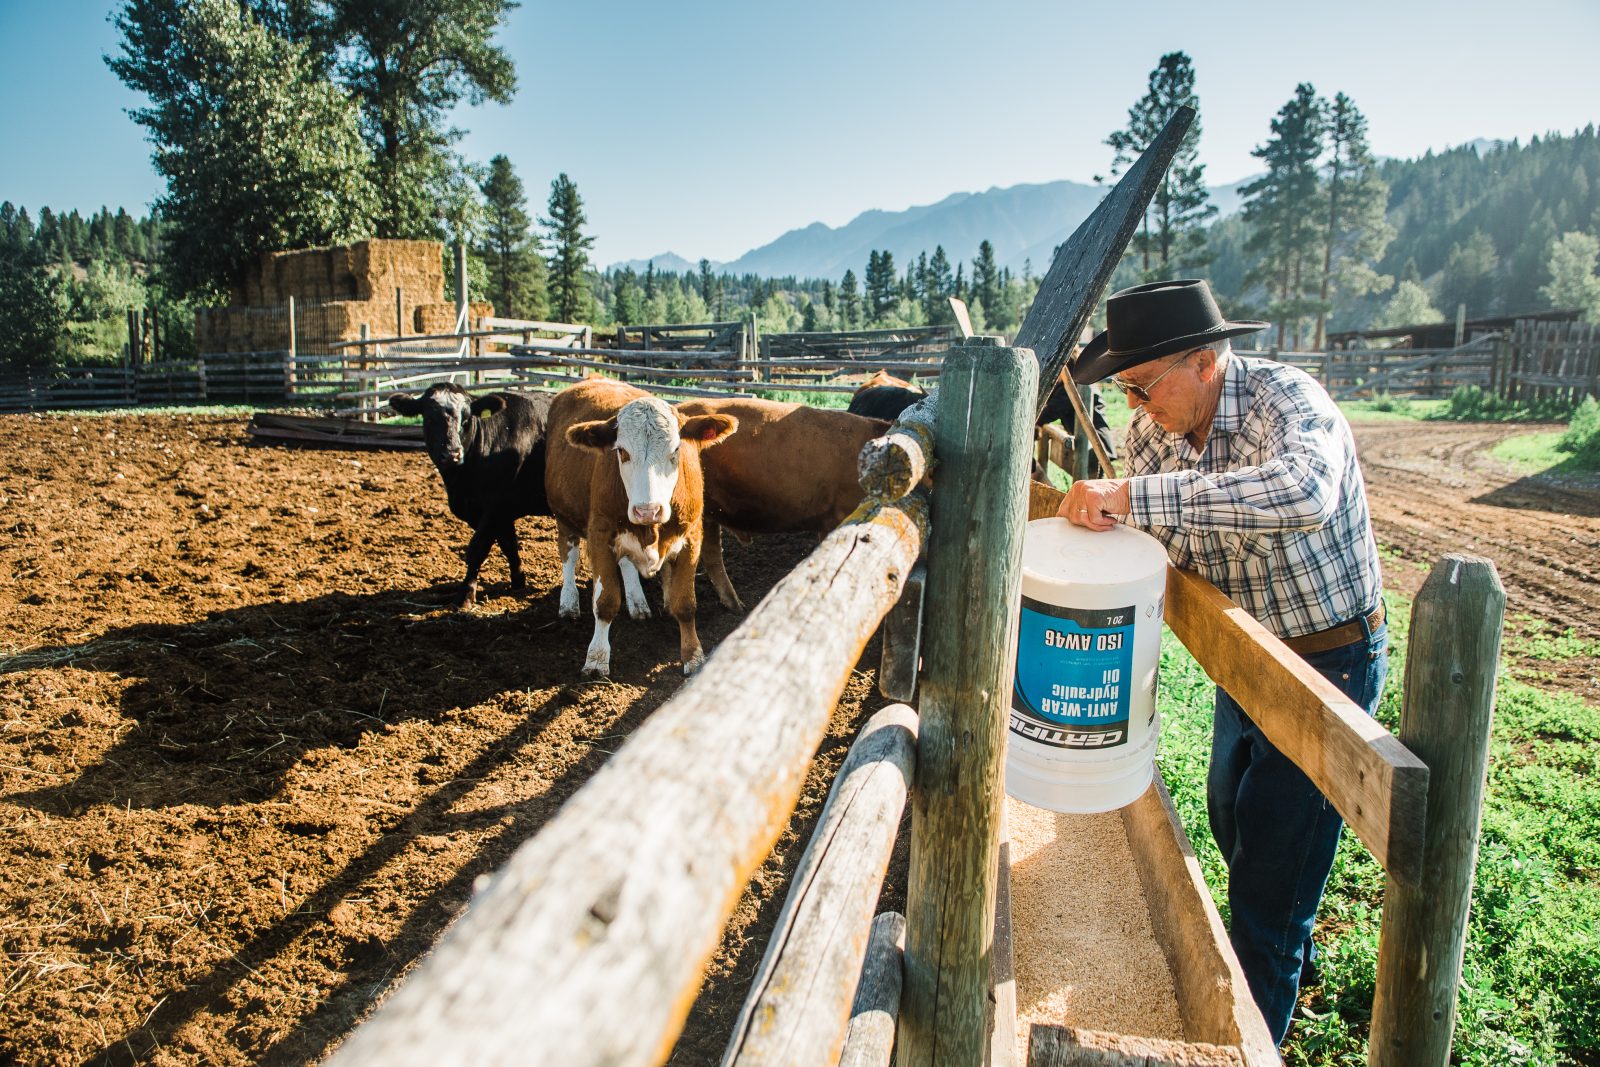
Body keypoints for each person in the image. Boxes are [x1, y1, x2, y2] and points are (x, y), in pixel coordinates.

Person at [1056, 279, 1388, 1045]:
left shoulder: (1287, 402)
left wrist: (1141, 501)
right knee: (1231, 818)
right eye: (1127, 391)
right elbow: (1145, 532)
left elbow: (1305, 492)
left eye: (1143, 387)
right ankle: (1268, 979)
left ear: (1205, 363)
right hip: (1241, 661)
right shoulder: (1155, 433)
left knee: (1271, 892)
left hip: (1323, 661)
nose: (1135, 409)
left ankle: (1252, 1034)